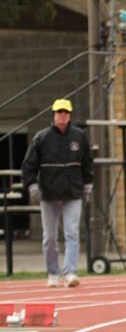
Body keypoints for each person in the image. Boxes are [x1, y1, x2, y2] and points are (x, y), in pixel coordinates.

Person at [21, 98, 93, 288]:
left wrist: (88, 186)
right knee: (50, 237)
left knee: (71, 233)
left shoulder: (79, 137)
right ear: (53, 115)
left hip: (73, 193)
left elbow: (87, 163)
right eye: (59, 112)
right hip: (49, 194)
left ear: (69, 115)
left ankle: (70, 272)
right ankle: (53, 272)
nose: (62, 116)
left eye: (65, 113)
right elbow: (28, 166)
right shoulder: (41, 138)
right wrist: (32, 186)